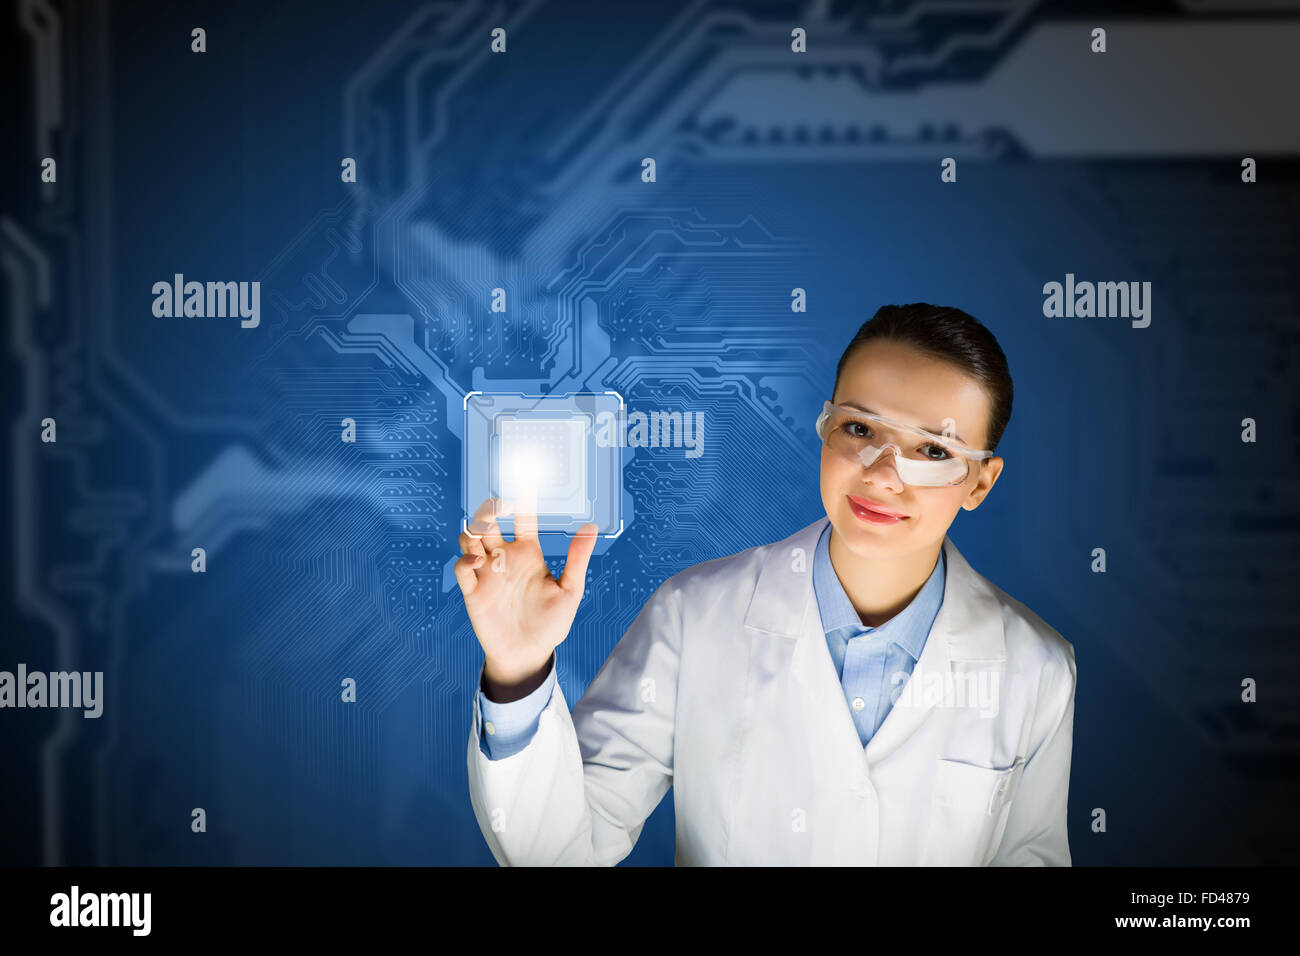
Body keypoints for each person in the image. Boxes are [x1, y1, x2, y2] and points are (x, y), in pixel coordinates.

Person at [455, 303, 1076, 866]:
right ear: (825, 427)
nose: (884, 476)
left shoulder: (1035, 669)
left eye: (934, 451)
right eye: (860, 429)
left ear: (980, 483)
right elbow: (558, 853)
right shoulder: (693, 616)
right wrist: (518, 669)